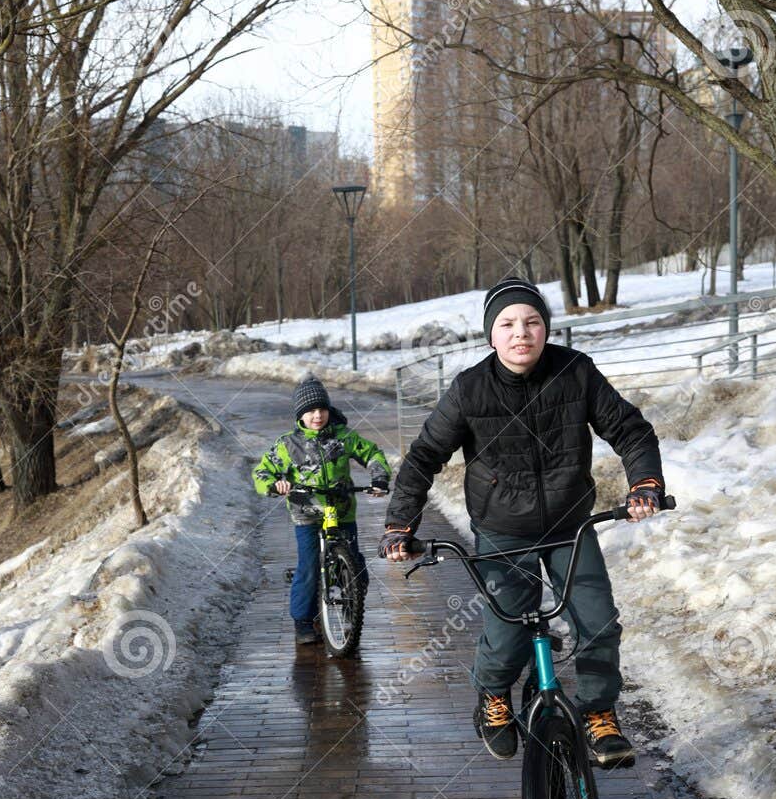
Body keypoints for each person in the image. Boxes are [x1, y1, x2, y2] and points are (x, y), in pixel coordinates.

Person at [379, 278, 664, 767]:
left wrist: (645, 483)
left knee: (597, 623)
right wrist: (400, 525)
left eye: (532, 322)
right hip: (502, 531)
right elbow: (424, 455)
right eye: (508, 324)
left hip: (569, 527)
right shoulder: (470, 389)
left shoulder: (575, 372)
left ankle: (599, 713)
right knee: (508, 633)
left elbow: (630, 430)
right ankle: (493, 695)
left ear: (546, 329)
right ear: (492, 336)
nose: (521, 333)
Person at [254, 375, 393, 646]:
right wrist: (275, 484)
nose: (317, 416)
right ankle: (303, 620)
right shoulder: (287, 444)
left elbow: (373, 454)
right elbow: (262, 472)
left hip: (341, 511)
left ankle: (353, 600)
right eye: (310, 411)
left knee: (352, 562)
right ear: (300, 415)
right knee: (308, 567)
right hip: (306, 513)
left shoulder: (343, 437)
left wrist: (379, 478)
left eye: (322, 409)